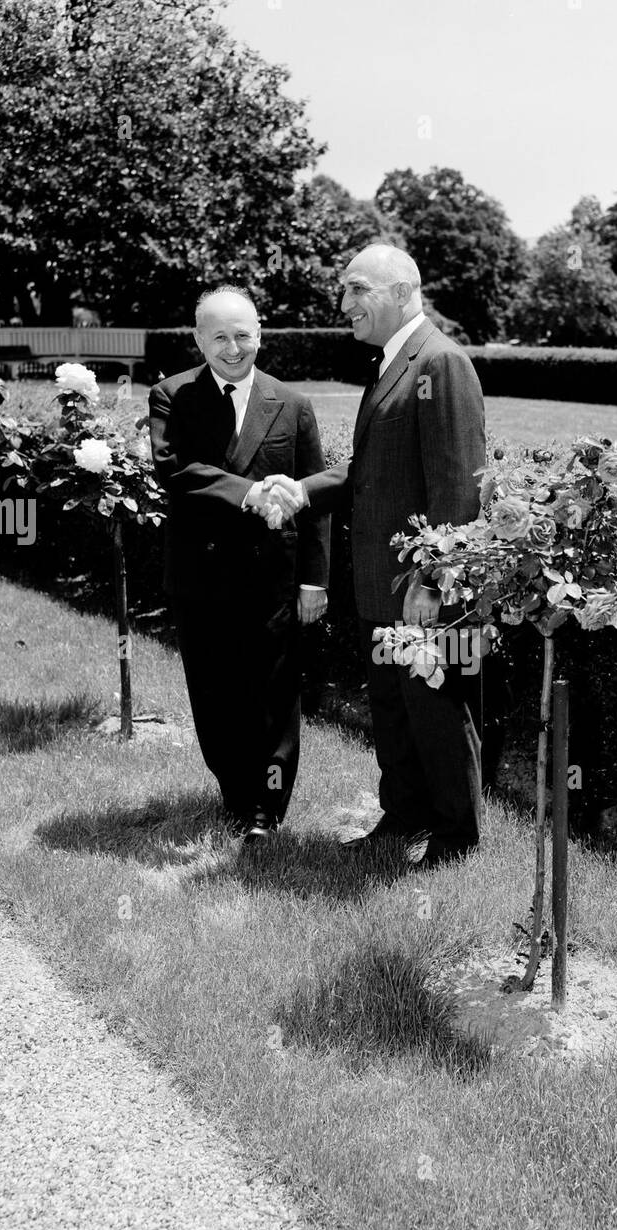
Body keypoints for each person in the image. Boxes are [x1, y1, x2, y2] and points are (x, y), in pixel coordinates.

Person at [259, 245, 485, 866]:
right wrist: (305, 488)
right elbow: (370, 470)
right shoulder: (390, 364)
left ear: (402, 291)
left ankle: (455, 837)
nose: (344, 303)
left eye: (357, 289)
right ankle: (405, 815)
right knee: (393, 706)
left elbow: (459, 490)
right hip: (379, 583)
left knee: (436, 708)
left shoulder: (442, 363)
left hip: (420, 588)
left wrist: (435, 584)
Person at [148, 286, 331, 839]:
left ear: (261, 334)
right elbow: (176, 472)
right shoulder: (171, 395)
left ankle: (265, 810)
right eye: (220, 336)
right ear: (199, 338)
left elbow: (315, 500)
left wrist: (314, 581)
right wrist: (251, 493)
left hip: (272, 581)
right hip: (200, 579)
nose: (234, 348)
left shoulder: (293, 404)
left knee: (274, 696)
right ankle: (234, 791)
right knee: (214, 692)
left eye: (244, 335)